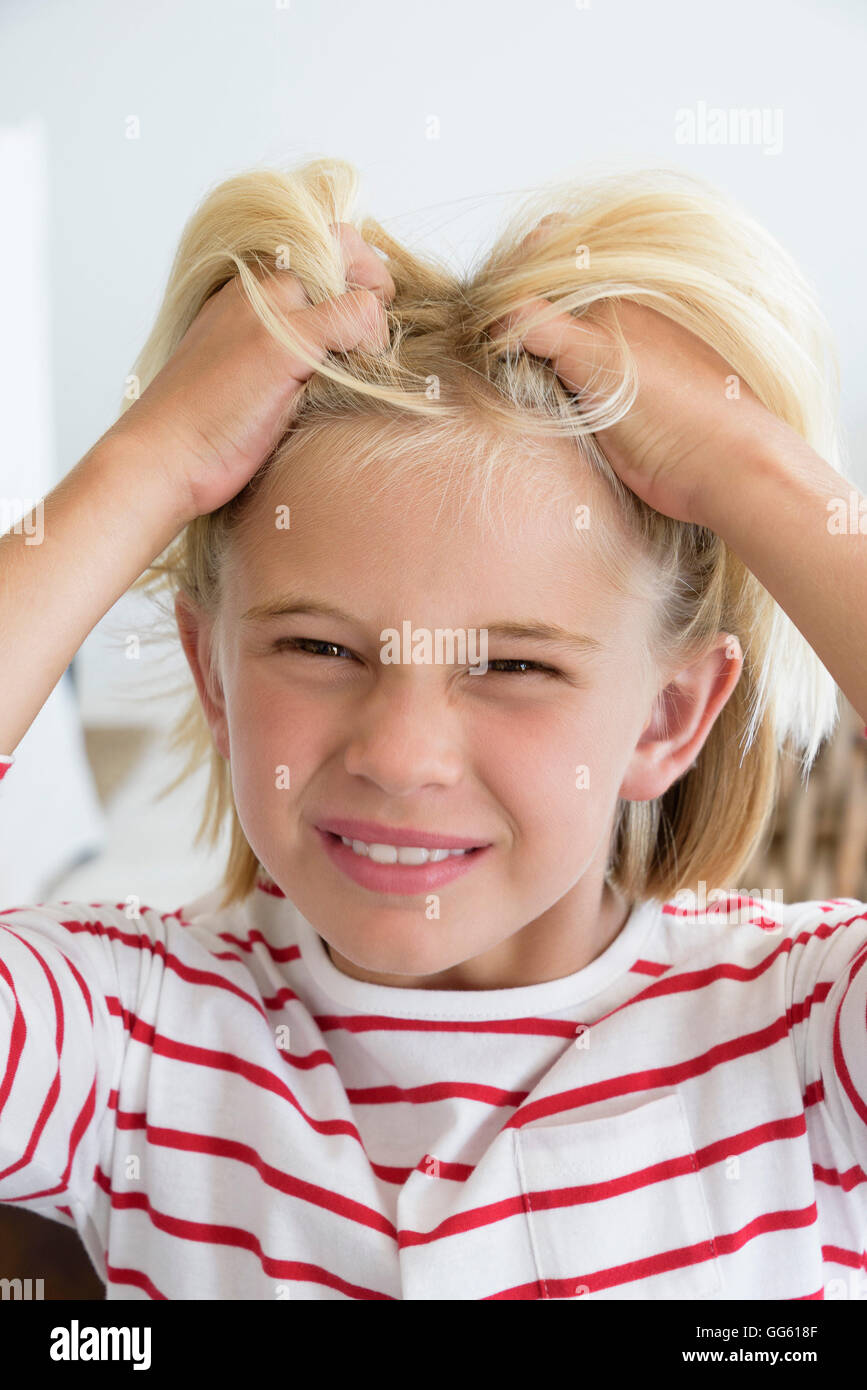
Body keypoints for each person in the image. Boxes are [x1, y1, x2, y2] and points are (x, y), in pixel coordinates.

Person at [0, 159, 865, 1300]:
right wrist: (143, 466)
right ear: (215, 677)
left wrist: (753, 471)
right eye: (319, 649)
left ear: (667, 717)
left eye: (514, 664)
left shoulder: (801, 1035)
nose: (399, 755)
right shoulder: (127, 1032)